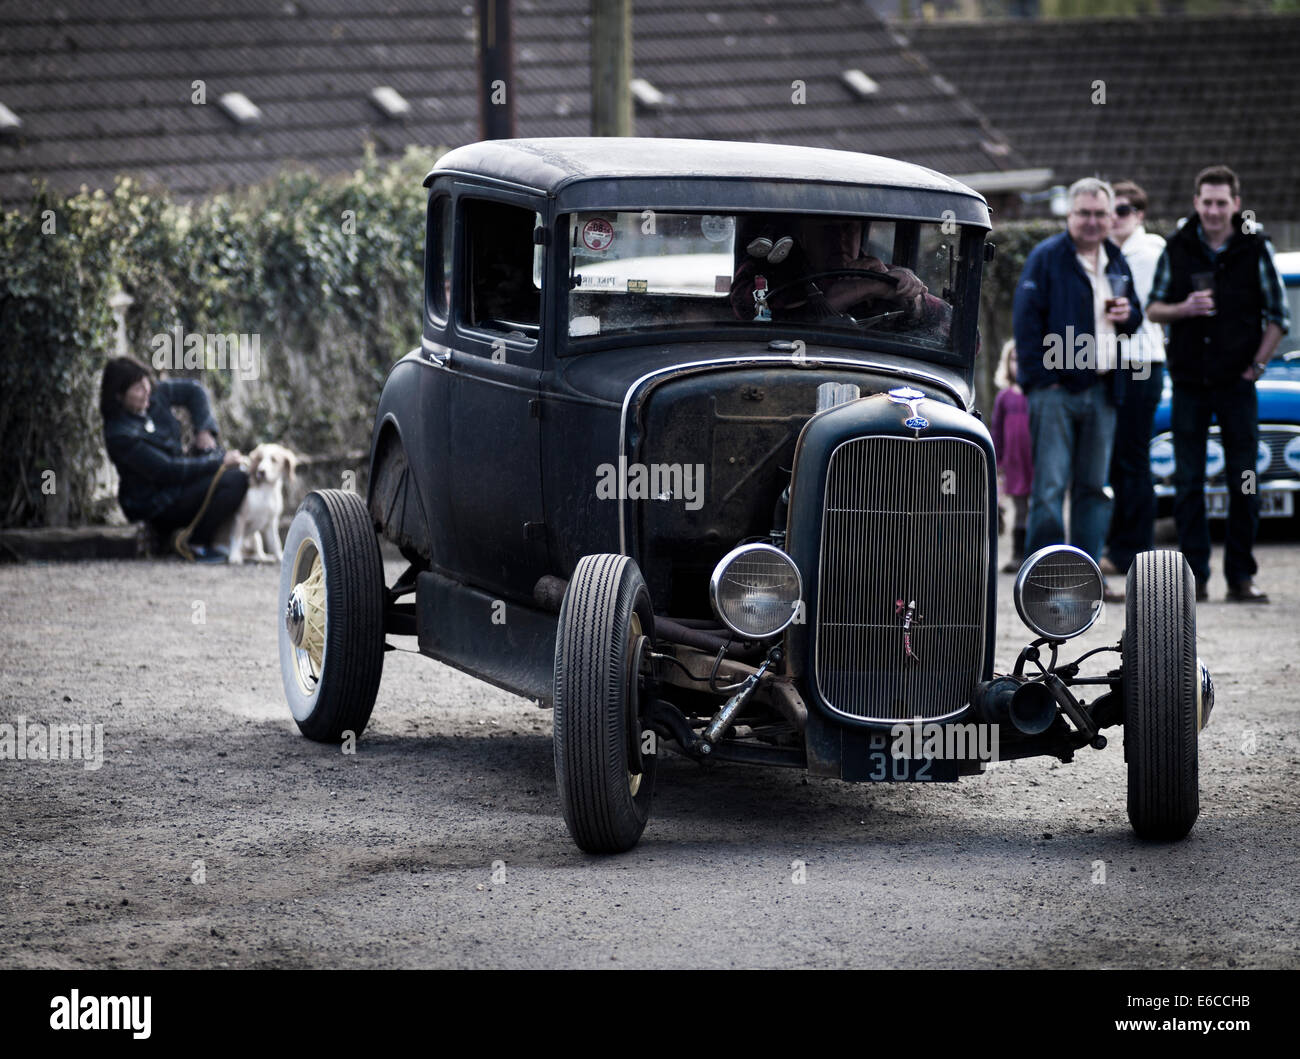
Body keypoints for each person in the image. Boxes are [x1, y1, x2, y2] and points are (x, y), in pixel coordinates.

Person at [1146, 165, 1290, 603]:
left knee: (1245, 479)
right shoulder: (1177, 247)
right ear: (1196, 203)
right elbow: (1152, 309)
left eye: (1220, 203)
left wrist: (1258, 365)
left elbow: (1279, 317)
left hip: (1237, 384)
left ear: (1235, 203)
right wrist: (1184, 307)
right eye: (1206, 202)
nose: (1212, 210)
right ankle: (1195, 581)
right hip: (1189, 382)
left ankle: (1241, 578)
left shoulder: (1255, 248)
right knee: (1188, 482)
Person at [1013, 177, 1142, 600]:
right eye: (1083, 213)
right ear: (1069, 216)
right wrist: (1041, 382)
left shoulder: (1116, 259)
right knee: (1049, 489)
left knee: (1093, 489)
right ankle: (1045, 581)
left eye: (1099, 214)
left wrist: (1128, 314)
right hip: (1055, 392)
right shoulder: (1046, 258)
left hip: (1105, 391)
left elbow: (1135, 317)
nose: (1091, 221)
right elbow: (1026, 324)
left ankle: (1088, 579)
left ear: (1110, 217)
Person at [101, 356, 248, 561]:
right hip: (157, 503)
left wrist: (204, 430)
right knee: (234, 480)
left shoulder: (152, 395)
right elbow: (166, 470)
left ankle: (209, 537)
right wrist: (218, 463)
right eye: (137, 389)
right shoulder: (120, 434)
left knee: (234, 470)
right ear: (119, 396)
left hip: (179, 481)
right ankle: (195, 543)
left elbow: (194, 391)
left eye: (146, 383)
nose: (146, 392)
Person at [1099, 180, 1167, 580]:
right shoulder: (1118, 252)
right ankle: (1123, 545)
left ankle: (1134, 549)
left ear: (1138, 215)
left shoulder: (1146, 251)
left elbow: (1132, 311)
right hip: (1122, 363)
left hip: (1139, 362)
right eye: (1111, 211)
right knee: (1121, 460)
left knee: (1132, 459)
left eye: (1122, 211)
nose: (1114, 218)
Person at [991, 339, 1032, 573]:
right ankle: (1018, 555)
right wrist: (998, 463)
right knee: (1021, 508)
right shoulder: (1004, 397)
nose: (1019, 364)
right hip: (1015, 462)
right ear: (1008, 364)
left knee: (1038, 506)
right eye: (1014, 359)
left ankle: (1036, 552)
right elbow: (997, 430)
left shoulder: (1035, 394)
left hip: (1034, 460)